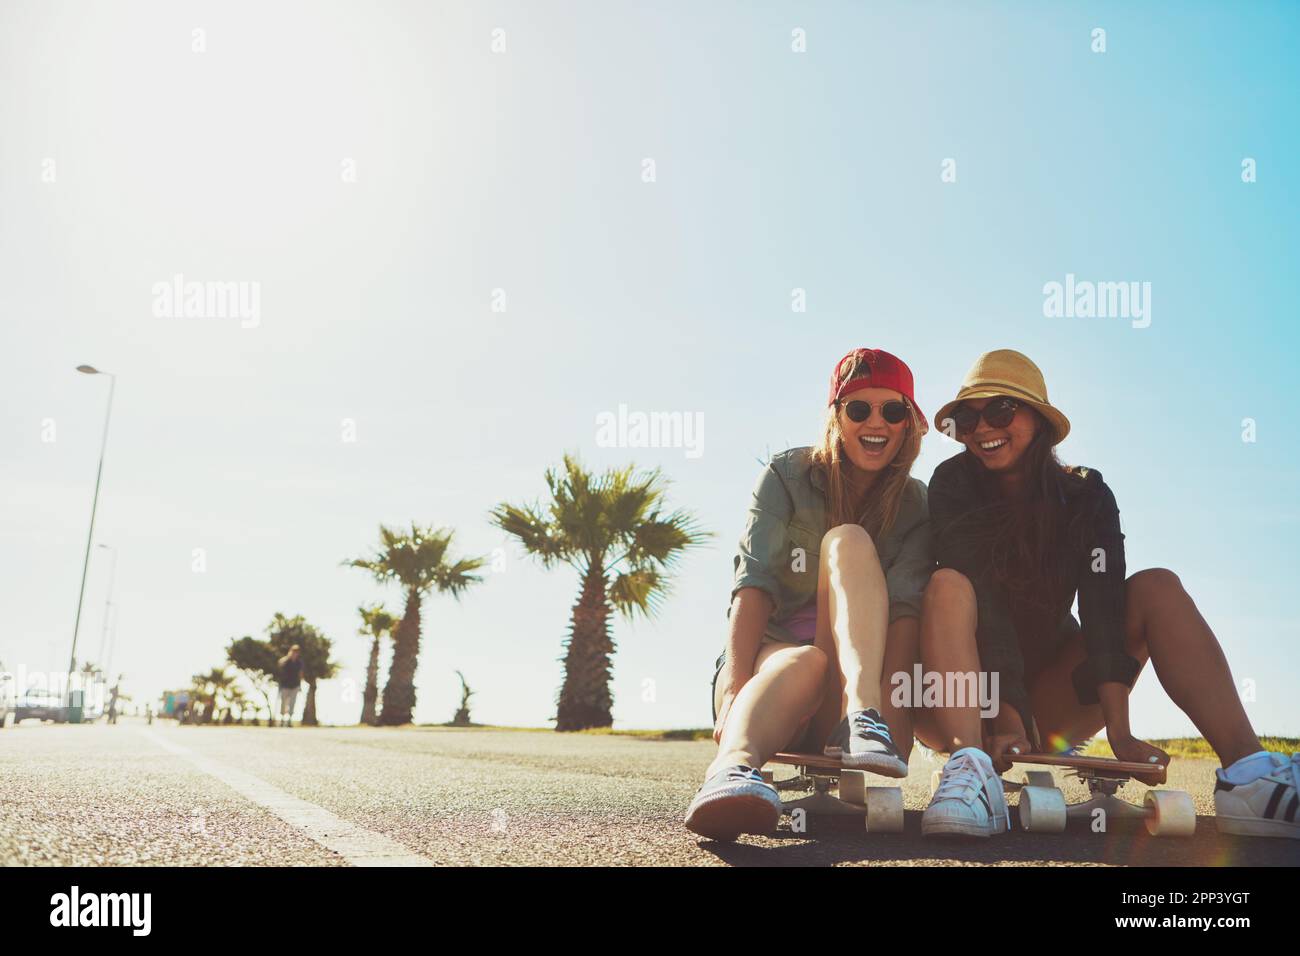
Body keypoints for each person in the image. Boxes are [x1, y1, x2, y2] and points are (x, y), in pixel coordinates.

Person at [918, 349, 1295, 839]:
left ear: (1040, 420)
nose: (982, 427)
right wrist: (1004, 712)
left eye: (1002, 410)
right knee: (950, 584)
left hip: (1046, 709)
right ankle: (969, 767)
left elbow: (1102, 606)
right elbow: (983, 600)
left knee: (1156, 585)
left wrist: (1119, 732)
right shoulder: (952, 482)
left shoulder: (1086, 494)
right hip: (959, 699)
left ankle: (1250, 779)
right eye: (967, 416)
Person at [684, 348, 935, 841]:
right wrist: (733, 688)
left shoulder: (917, 505)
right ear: (837, 417)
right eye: (859, 409)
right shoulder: (786, 476)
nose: (875, 422)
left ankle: (864, 718)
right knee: (804, 660)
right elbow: (752, 585)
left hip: (851, 704)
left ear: (908, 423)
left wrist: (894, 709)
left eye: (893, 410)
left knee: (849, 543)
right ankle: (732, 770)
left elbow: (906, 609)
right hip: (768, 672)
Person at [276, 645, 304, 728]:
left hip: (295, 686)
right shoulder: (285, 661)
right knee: (283, 703)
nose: (295, 653)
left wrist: (300, 685)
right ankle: (281, 720)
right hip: (285, 685)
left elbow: (300, 674)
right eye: (294, 651)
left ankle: (289, 721)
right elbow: (279, 665)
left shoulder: (299, 663)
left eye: (297, 652)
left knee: (292, 703)